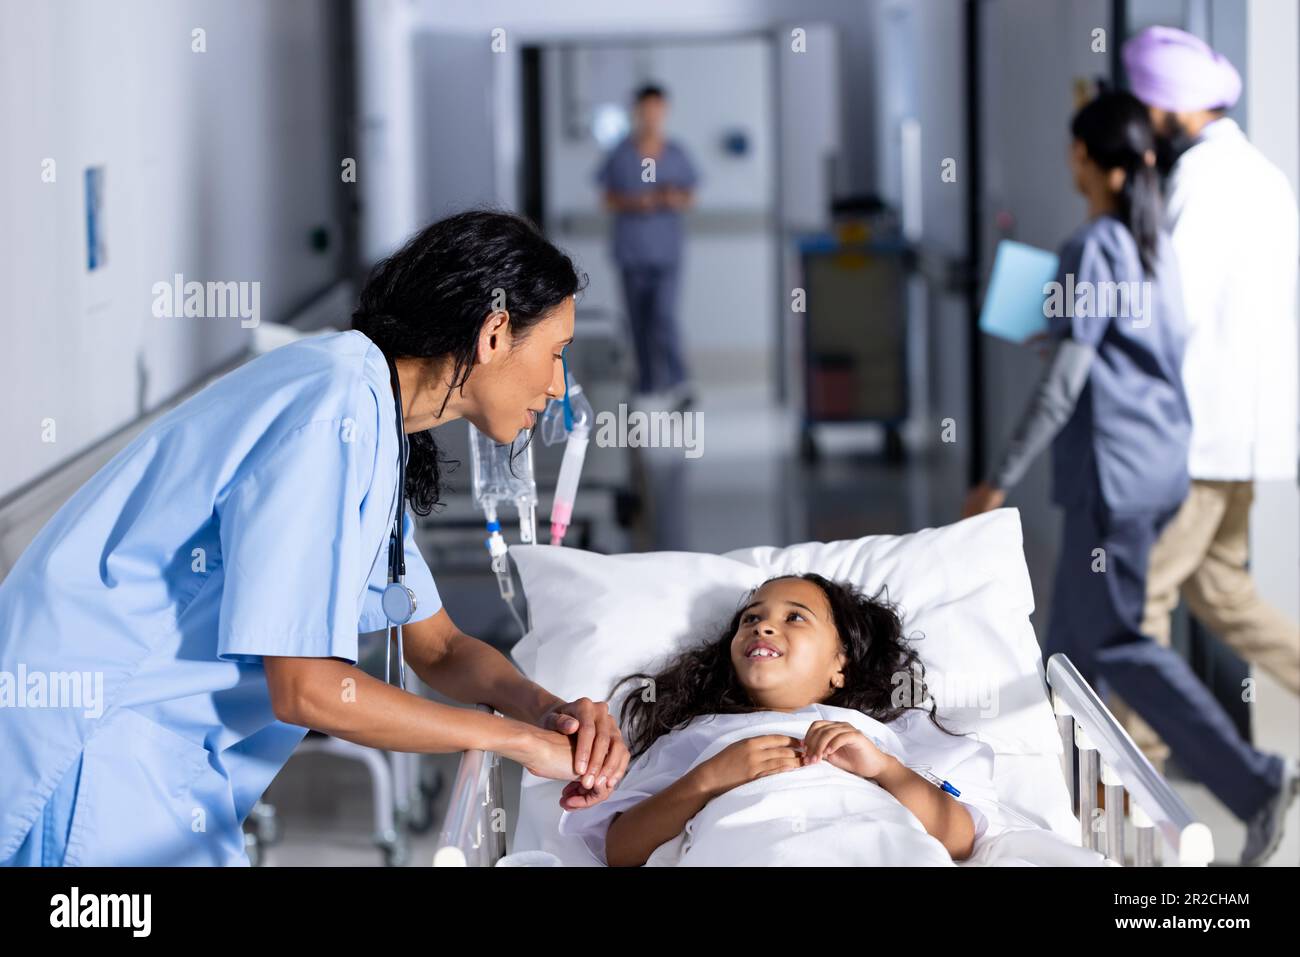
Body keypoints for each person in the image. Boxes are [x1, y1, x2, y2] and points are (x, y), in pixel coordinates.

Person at [0, 210, 629, 866]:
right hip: (92, 739)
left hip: (155, 756)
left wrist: (546, 708)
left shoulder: (372, 418)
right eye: (556, 354)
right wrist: (515, 745)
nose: (558, 387)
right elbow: (305, 687)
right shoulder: (333, 411)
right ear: (496, 332)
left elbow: (438, 645)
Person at [963, 92, 1296, 864]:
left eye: (1075, 150)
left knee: (1112, 643)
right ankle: (1043, 810)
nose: (1070, 161)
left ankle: (1254, 779)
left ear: (1089, 160)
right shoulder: (1153, 245)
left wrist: (997, 477)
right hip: (1156, 465)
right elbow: (1136, 354)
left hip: (1109, 477)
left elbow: (1063, 387)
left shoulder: (1092, 246)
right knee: (1067, 658)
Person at [1116, 28, 1300, 836]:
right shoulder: (1262, 172)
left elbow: (1169, 309)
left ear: (1165, 105)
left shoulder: (1200, 179)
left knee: (1142, 600)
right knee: (1224, 592)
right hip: (1250, 432)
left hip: (1201, 435)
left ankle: (1139, 777)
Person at [559, 574, 998, 866]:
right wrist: (708, 780)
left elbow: (958, 840)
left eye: (795, 618)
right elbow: (621, 849)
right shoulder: (701, 736)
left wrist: (885, 770)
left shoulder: (883, 737)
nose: (763, 628)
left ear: (839, 666)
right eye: (751, 618)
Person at [596, 83, 698, 411]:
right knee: (638, 320)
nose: (652, 116)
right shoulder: (621, 154)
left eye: (658, 109)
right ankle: (647, 385)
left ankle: (678, 382)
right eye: (646, 109)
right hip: (632, 252)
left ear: (664, 111)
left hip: (666, 253)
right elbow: (607, 198)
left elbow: (690, 196)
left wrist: (671, 198)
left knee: (664, 316)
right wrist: (635, 202)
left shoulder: (677, 153)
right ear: (637, 111)